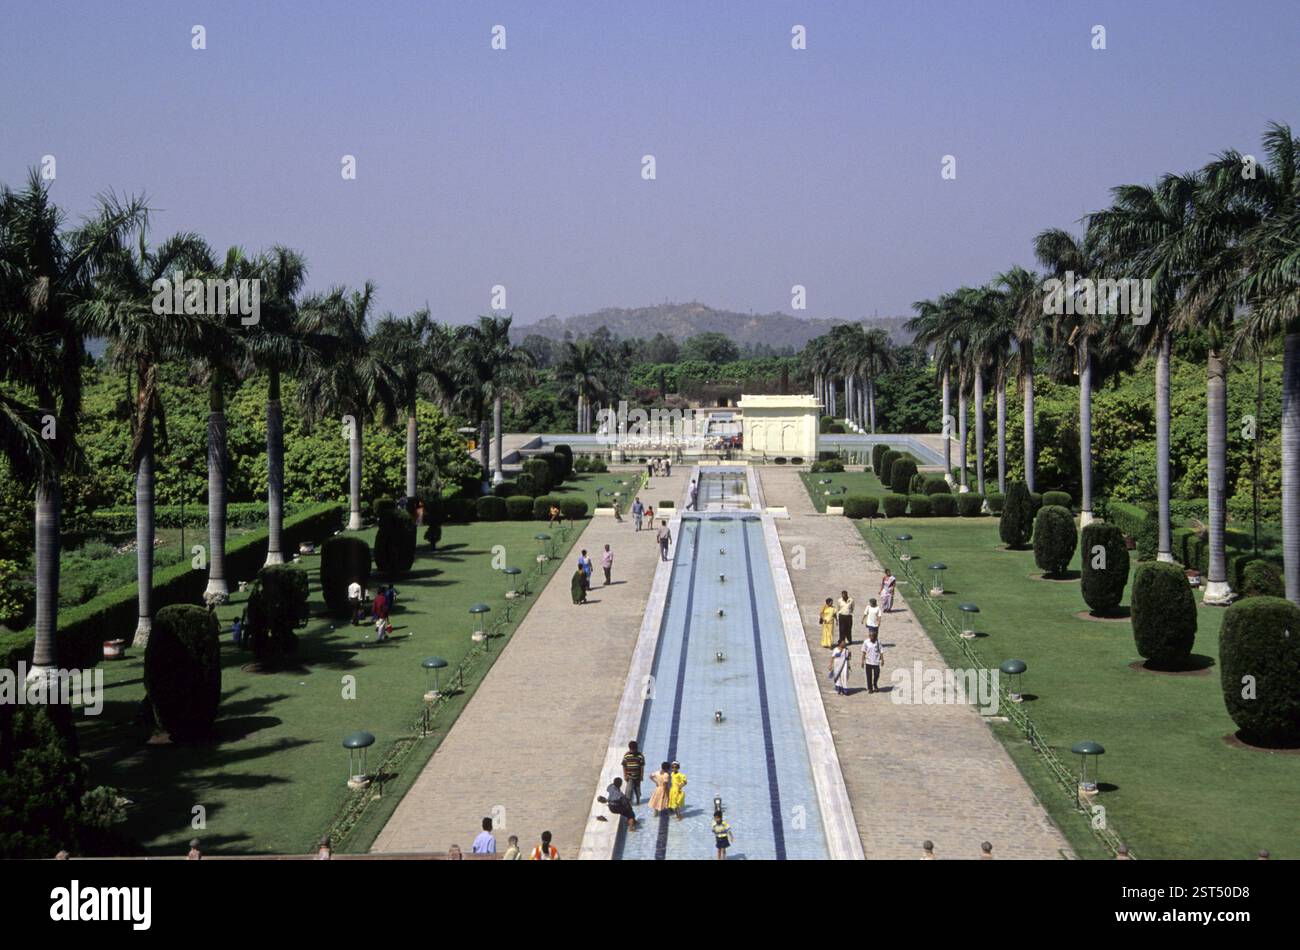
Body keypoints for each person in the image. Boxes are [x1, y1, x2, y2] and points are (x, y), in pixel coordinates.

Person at [862, 628, 884, 694]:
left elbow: (881, 650)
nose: (871, 637)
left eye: (873, 636)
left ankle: (875, 683)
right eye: (870, 636)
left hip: (876, 661)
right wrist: (862, 661)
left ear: (875, 636)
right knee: (869, 676)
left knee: (877, 674)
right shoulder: (866, 642)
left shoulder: (878, 642)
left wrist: (882, 659)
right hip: (868, 661)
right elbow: (864, 651)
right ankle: (870, 688)